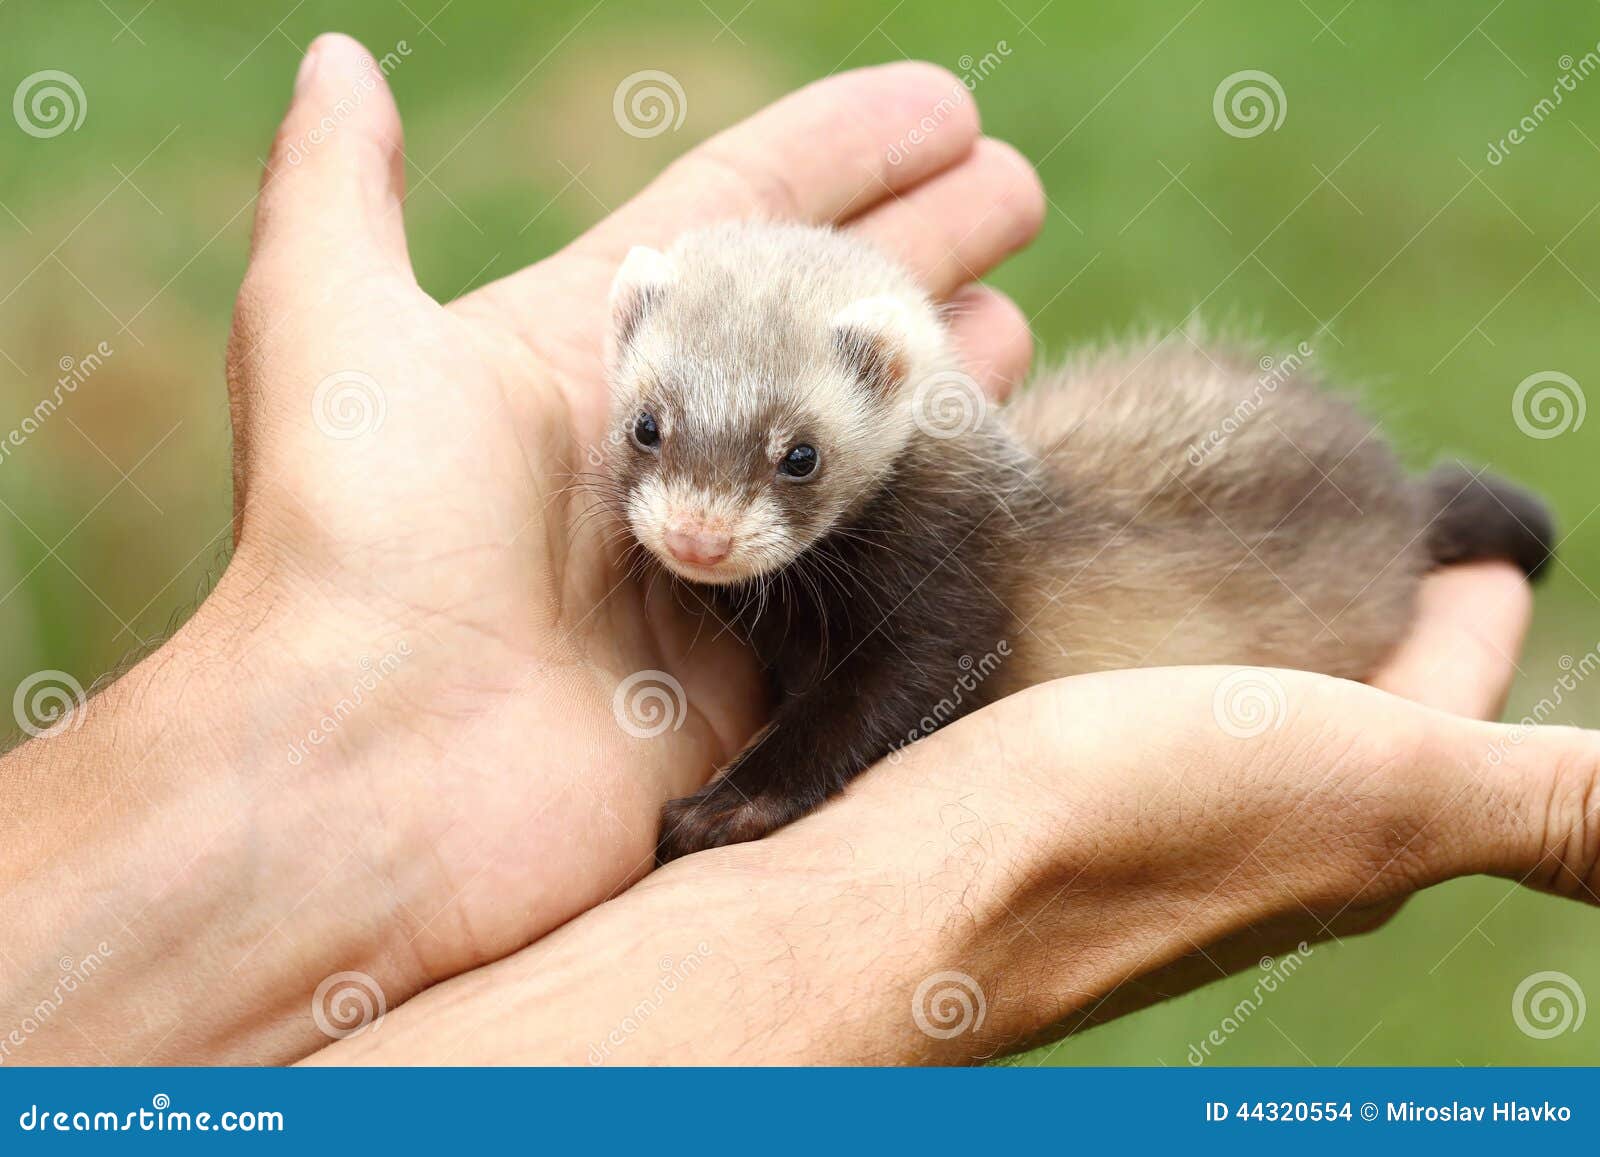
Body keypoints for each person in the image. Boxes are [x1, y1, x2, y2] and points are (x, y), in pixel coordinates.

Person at [1, 34, 1591, 1067]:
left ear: (892, 396)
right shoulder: (769, 460)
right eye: (651, 444)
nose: (700, 515)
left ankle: (1440, 507)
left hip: (1326, 546)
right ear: (625, 362)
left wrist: (767, 791)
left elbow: (900, 681)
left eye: (790, 465)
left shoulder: (940, 559)